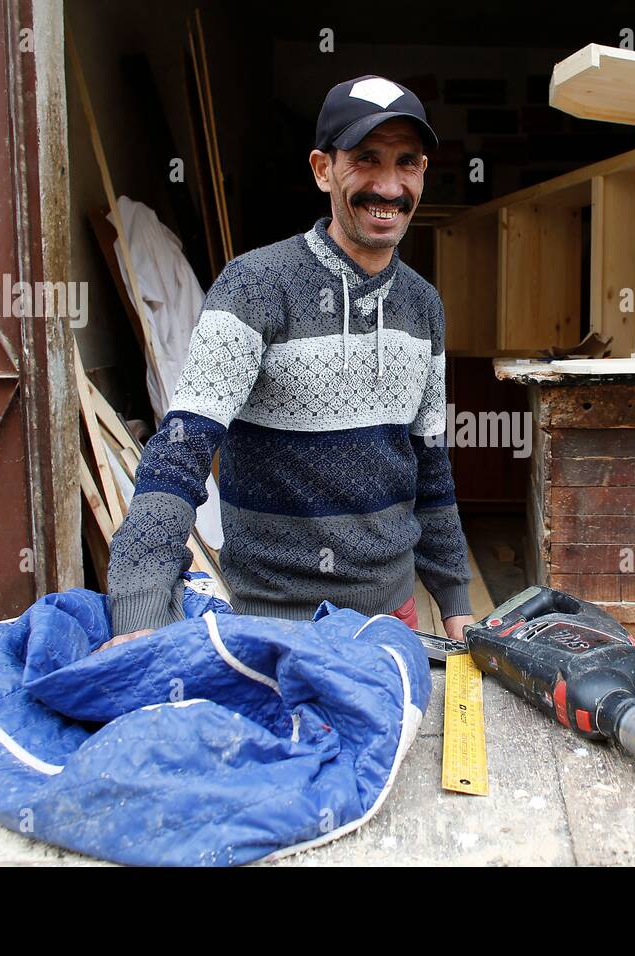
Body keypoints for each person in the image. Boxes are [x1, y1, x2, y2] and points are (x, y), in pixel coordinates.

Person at [101, 75, 474, 650]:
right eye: (366, 160)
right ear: (323, 169)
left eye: (407, 162)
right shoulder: (255, 285)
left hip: (390, 618)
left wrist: (455, 604)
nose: (389, 185)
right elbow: (181, 450)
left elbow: (430, 466)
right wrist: (139, 609)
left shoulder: (423, 305)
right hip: (273, 622)